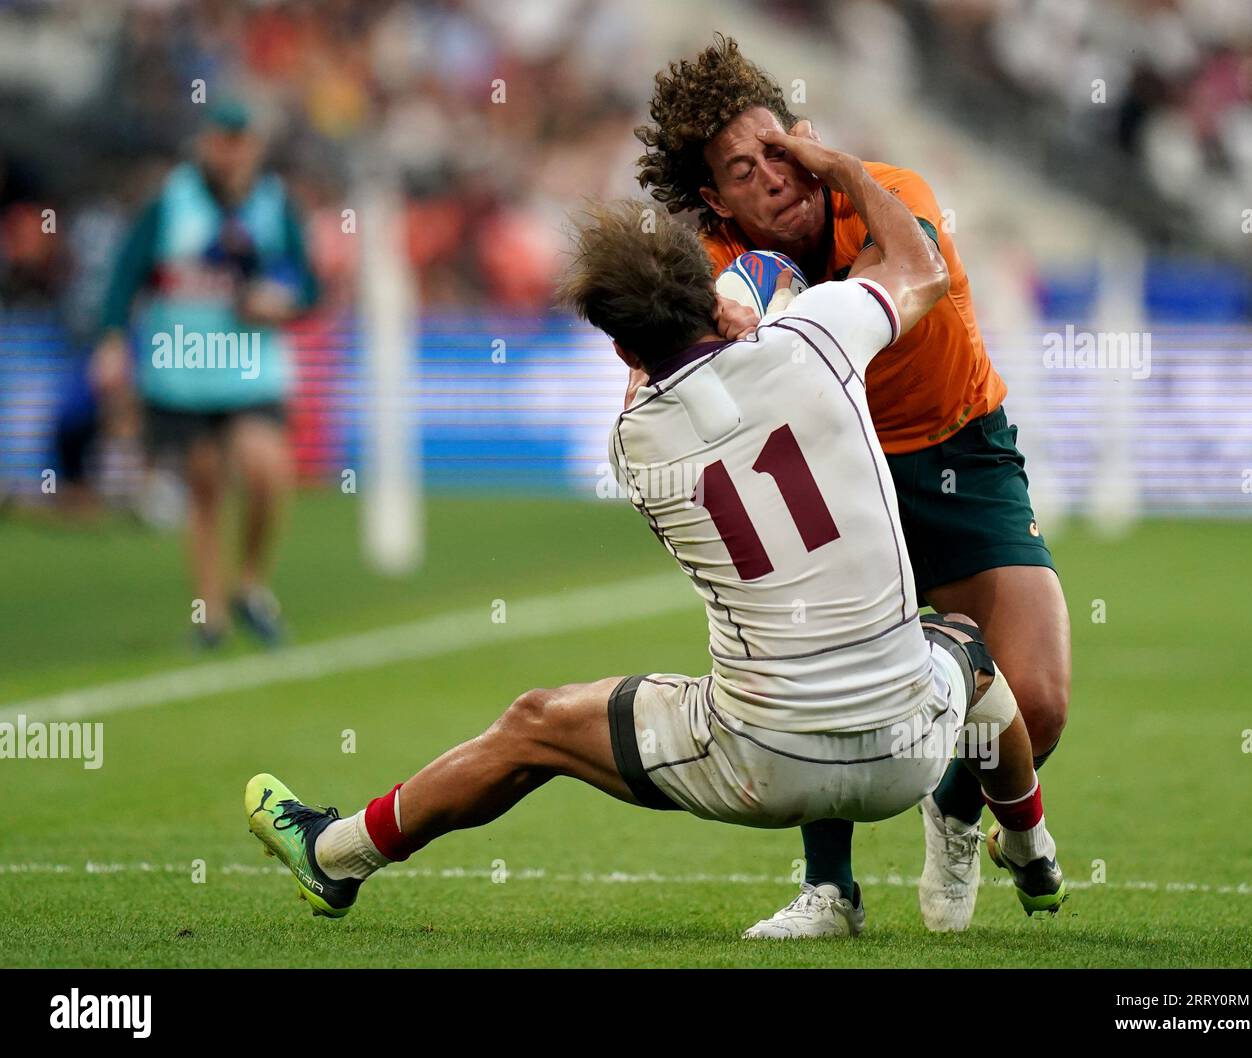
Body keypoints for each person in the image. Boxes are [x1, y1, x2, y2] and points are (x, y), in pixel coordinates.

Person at [243, 182, 1066, 931]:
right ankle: (1028, 854)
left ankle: (338, 854)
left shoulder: (636, 445)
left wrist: (728, 302)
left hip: (761, 767)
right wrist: (828, 180)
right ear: (708, 292)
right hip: (907, 755)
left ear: (619, 346)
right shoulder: (820, 336)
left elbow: (680, 375)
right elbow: (916, 265)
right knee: (967, 645)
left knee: (535, 725)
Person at [634, 35, 1071, 935]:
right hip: (839, 468)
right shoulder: (715, 265)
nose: (774, 178)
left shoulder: (887, 193)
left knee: (1039, 707)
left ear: (808, 142)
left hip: (964, 452)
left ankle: (954, 812)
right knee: (820, 667)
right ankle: (829, 888)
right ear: (715, 197)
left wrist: (837, 164)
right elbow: (664, 372)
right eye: (742, 169)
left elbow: (924, 272)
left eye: (781, 151)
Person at [90, 100, 319, 648]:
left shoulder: (273, 203)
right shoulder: (171, 199)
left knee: (265, 471)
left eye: (241, 141)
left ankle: (250, 584)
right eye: (222, 139)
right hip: (182, 371)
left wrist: (279, 304)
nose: (231, 152)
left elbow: (307, 287)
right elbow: (127, 273)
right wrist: (112, 339)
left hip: (249, 369)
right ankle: (209, 615)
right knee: (205, 489)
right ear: (205, 143)